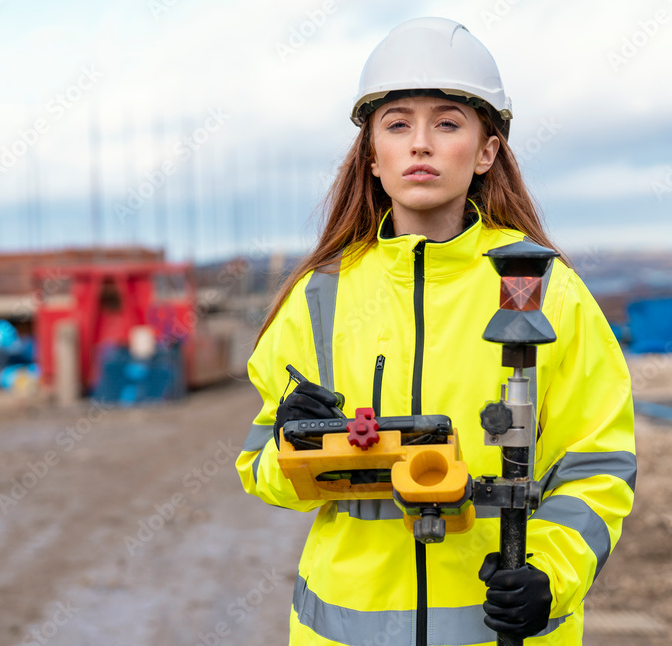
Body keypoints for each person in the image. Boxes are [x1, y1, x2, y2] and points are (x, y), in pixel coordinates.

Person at [235, 17, 636, 645]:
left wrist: (551, 576)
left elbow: (597, 465)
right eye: (398, 125)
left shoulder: (539, 285)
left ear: (485, 151)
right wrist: (293, 444)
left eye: (447, 123)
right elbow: (260, 472)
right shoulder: (319, 296)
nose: (420, 144)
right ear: (371, 154)